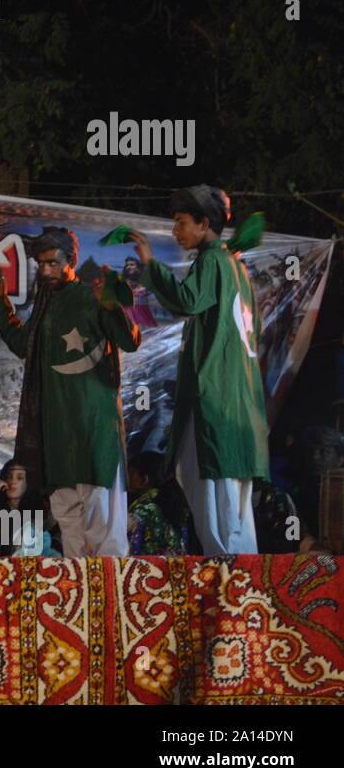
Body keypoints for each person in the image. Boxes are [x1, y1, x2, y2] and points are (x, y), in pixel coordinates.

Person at [129, 186, 267, 554]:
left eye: (181, 223)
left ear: (205, 224)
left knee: (215, 503)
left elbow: (187, 301)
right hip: (235, 404)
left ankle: (230, 592)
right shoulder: (236, 266)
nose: (176, 231)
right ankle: (242, 591)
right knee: (233, 511)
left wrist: (150, 265)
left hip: (214, 402)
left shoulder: (212, 260)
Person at [0, 227, 141, 556]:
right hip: (57, 432)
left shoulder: (92, 295)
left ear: (71, 260)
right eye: (40, 264)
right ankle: (80, 604)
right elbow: (22, 345)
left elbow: (131, 340)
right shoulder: (46, 306)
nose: (45, 271)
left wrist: (111, 307)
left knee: (105, 530)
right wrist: (0, 304)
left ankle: (112, 602)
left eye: (52, 263)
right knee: (69, 525)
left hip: (94, 428)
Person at [125, 451, 191, 556]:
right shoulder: (177, 507)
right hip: (177, 569)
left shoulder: (142, 509)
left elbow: (130, 548)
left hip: (147, 569)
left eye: (131, 473)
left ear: (144, 480)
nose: (126, 478)